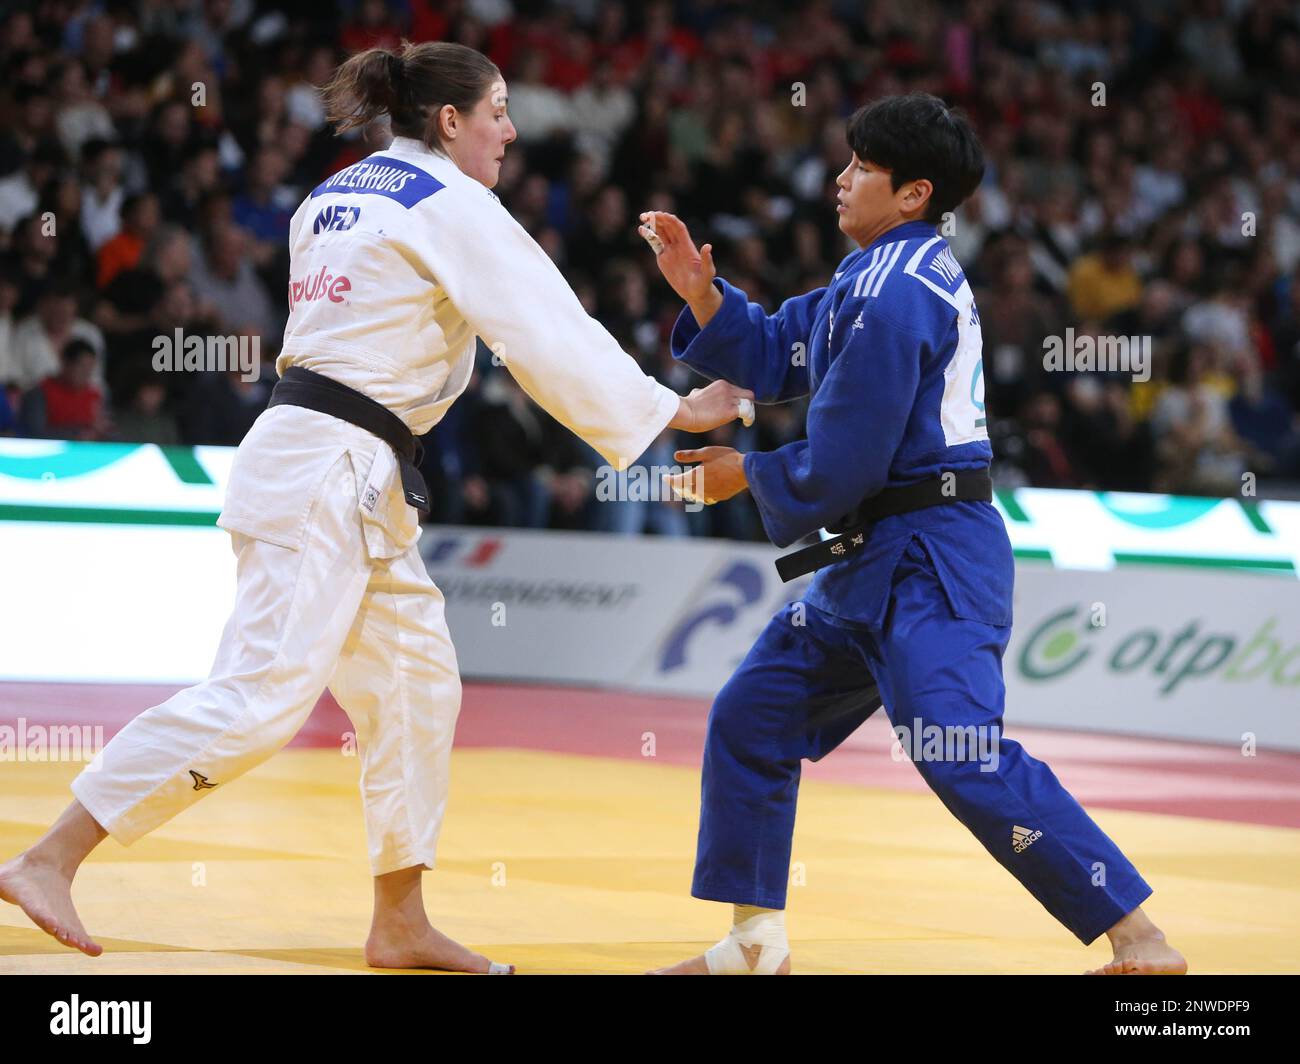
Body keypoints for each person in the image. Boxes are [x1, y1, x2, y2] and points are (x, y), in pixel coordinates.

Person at [0, 40, 751, 974]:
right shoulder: (448, 202)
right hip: (330, 468)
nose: (511, 130)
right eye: (498, 110)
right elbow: (541, 326)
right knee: (263, 696)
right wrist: (669, 408)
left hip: (341, 464)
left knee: (414, 684)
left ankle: (399, 919)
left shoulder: (337, 193)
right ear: (449, 121)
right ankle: (48, 857)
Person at [642, 93, 1187, 976]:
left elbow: (850, 456)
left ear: (913, 193)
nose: (840, 179)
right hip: (871, 558)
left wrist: (750, 473)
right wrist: (705, 296)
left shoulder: (899, 291)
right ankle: (753, 945)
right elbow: (782, 351)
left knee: (962, 754)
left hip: (933, 554)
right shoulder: (872, 276)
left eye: (861, 167)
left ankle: (1141, 941)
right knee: (754, 716)